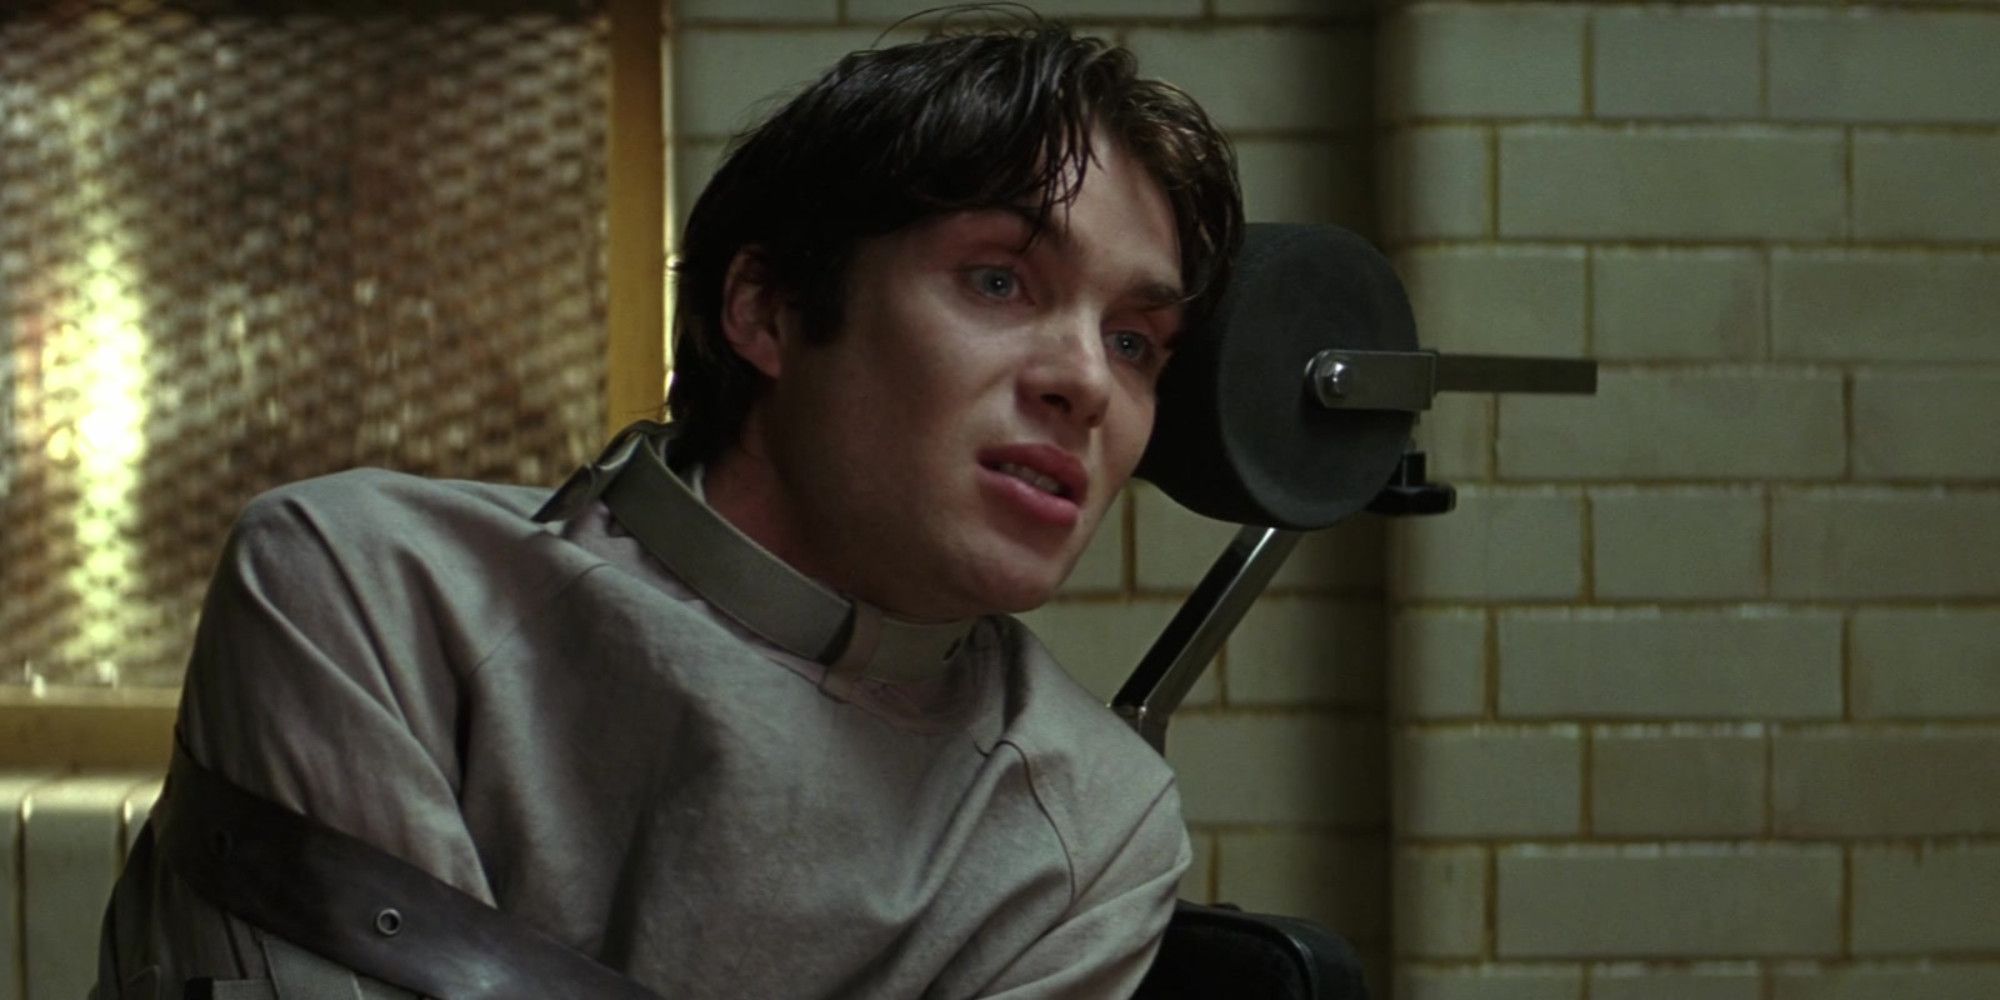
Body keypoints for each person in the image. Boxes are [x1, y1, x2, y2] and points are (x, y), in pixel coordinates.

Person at [94, 14, 1243, 1000]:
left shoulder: (1092, 828)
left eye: (1133, 341)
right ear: (767, 310)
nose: (1086, 381)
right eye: (998, 279)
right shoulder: (363, 591)